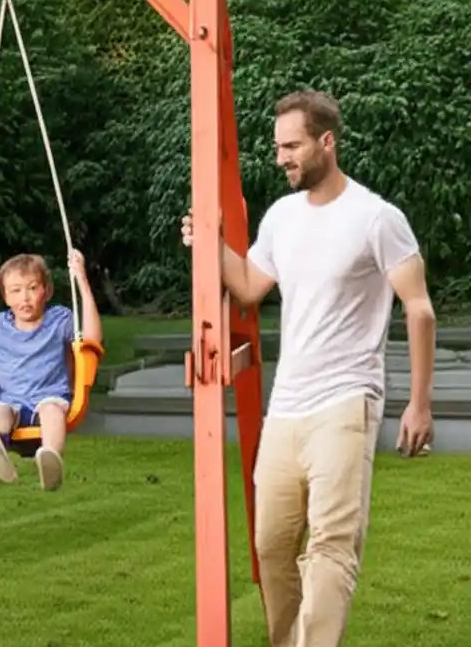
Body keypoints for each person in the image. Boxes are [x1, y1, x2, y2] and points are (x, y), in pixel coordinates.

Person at [180, 90, 435, 647]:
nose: (281, 158)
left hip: (347, 400)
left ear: (327, 141)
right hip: (287, 406)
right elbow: (248, 285)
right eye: (277, 147)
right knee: (272, 544)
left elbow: (419, 309)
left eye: (291, 146)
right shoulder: (281, 217)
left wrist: (419, 403)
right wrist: (210, 246)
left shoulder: (376, 218)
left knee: (331, 546)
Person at [0, 249, 102, 490]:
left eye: (33, 288)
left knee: (51, 411)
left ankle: (50, 460)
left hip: (51, 398)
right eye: (15, 290)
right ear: (5, 297)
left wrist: (82, 281)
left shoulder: (60, 319)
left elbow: (92, 339)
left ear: (47, 292)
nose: (25, 298)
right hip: (12, 404)